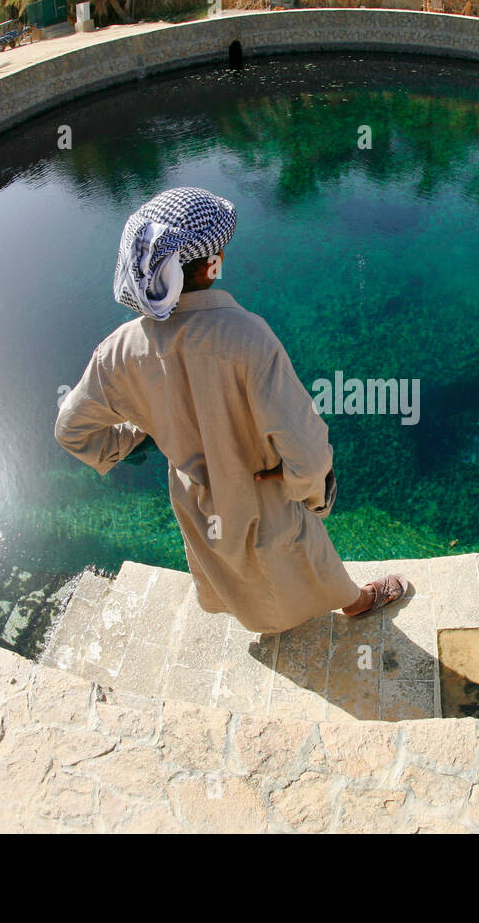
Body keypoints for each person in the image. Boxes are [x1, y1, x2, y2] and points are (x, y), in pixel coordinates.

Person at [55, 187, 407, 634]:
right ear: (210, 265)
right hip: (260, 492)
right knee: (304, 557)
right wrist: (309, 491)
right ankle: (358, 602)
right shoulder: (248, 338)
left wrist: (140, 427)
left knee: (234, 571)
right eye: (220, 249)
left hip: (196, 496)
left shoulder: (120, 349)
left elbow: (72, 429)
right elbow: (308, 449)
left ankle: (269, 622)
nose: (223, 254)